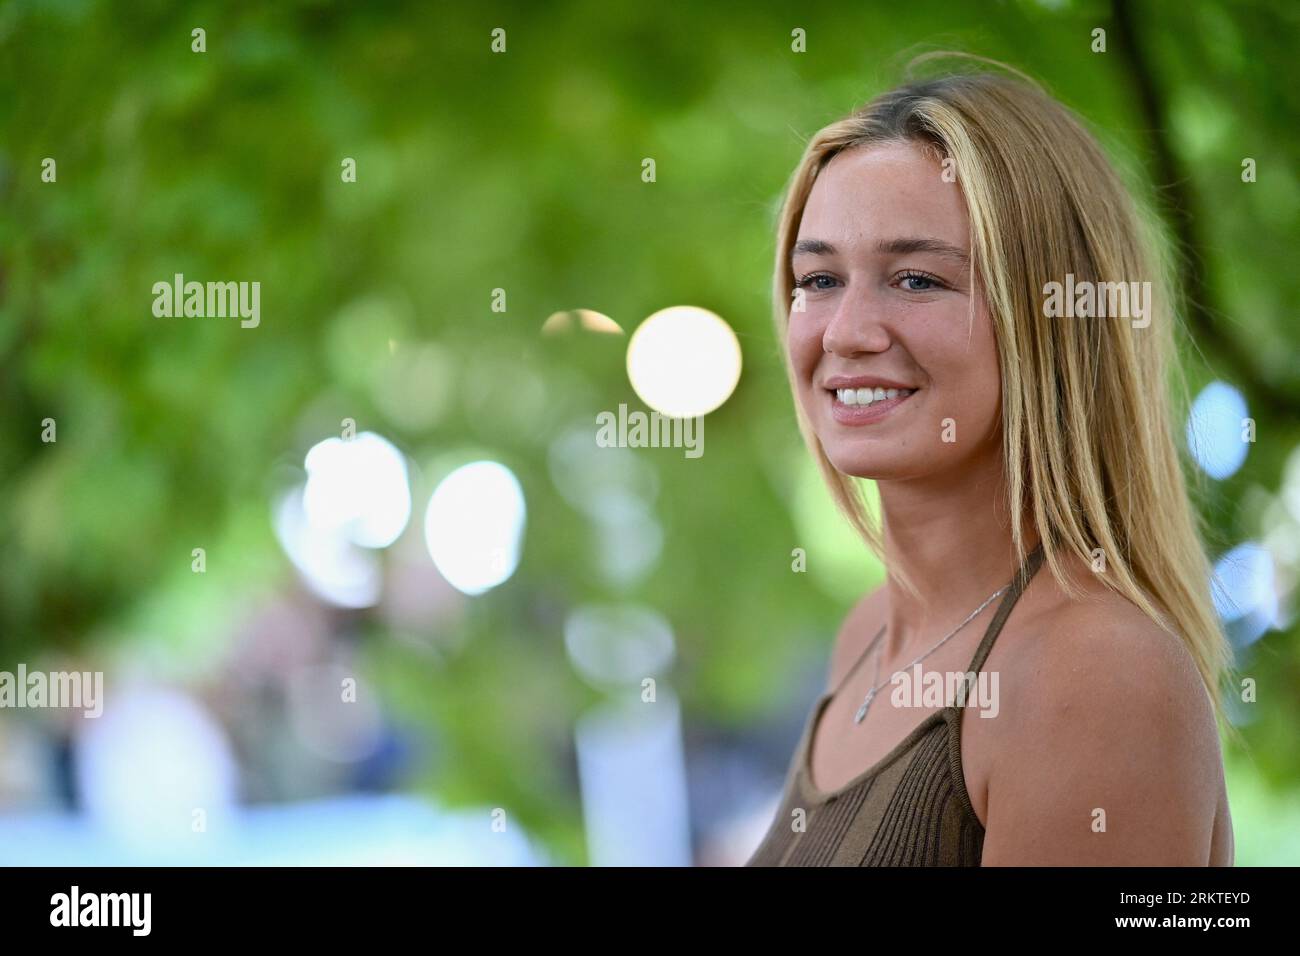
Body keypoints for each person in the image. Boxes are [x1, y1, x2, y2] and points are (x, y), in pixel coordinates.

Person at [745, 57, 1234, 866]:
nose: (845, 332)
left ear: (1052, 319)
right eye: (820, 278)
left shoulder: (1097, 676)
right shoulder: (868, 635)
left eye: (916, 278)